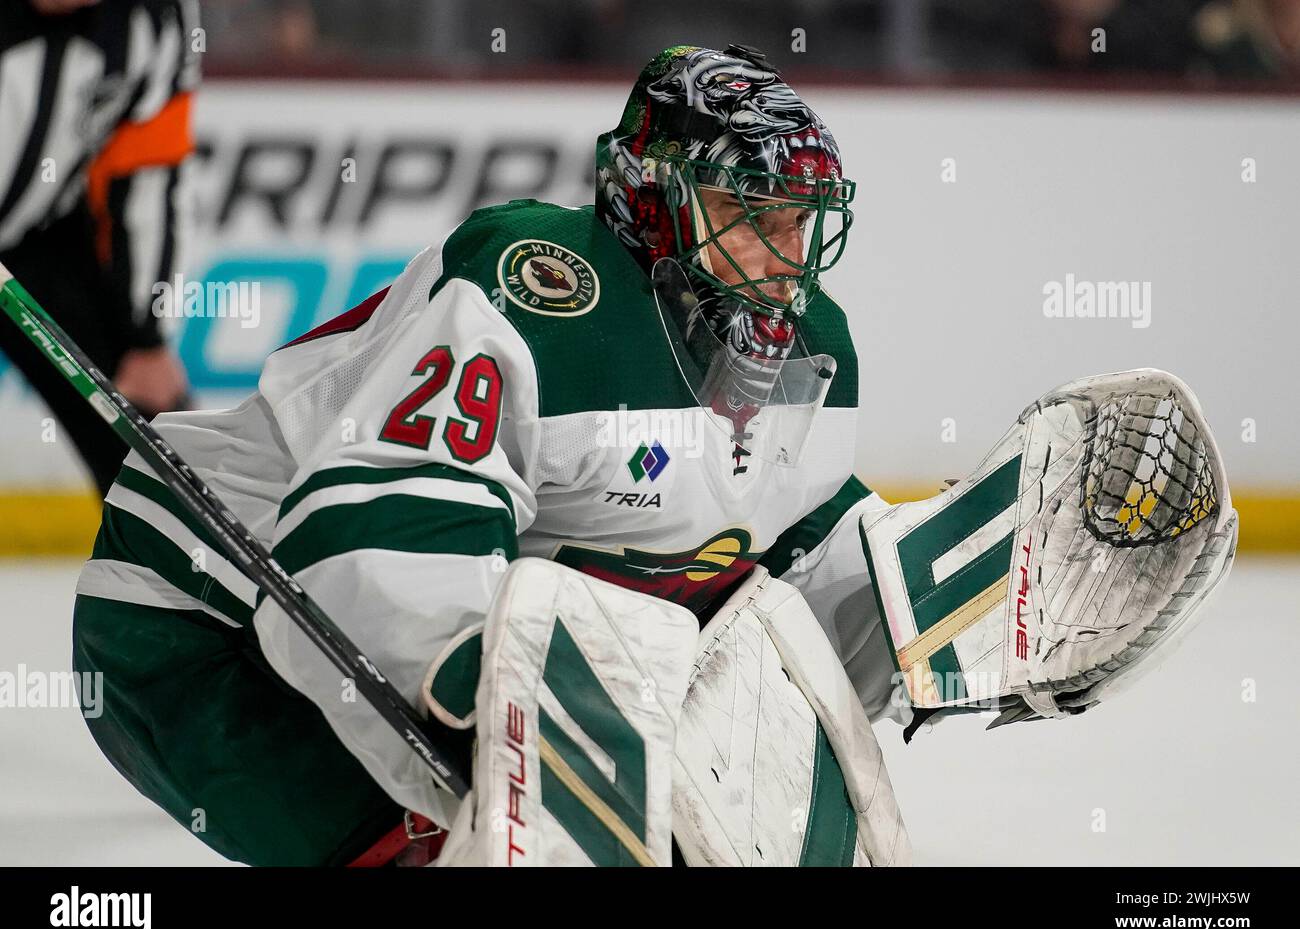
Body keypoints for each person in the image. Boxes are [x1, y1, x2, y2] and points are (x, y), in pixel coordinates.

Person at [71, 43, 899, 866]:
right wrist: (511, 703)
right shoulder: (541, 290)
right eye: (745, 209)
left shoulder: (811, 354)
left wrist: (932, 610)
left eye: (797, 216)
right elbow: (383, 531)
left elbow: (797, 558)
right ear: (653, 200)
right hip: (205, 614)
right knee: (489, 842)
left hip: (358, 616)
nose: (783, 256)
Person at [0, 0, 196, 496]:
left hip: (37, 239)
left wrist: (145, 338)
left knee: (156, 450)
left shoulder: (156, 17)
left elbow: (148, 175)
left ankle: (194, 570)